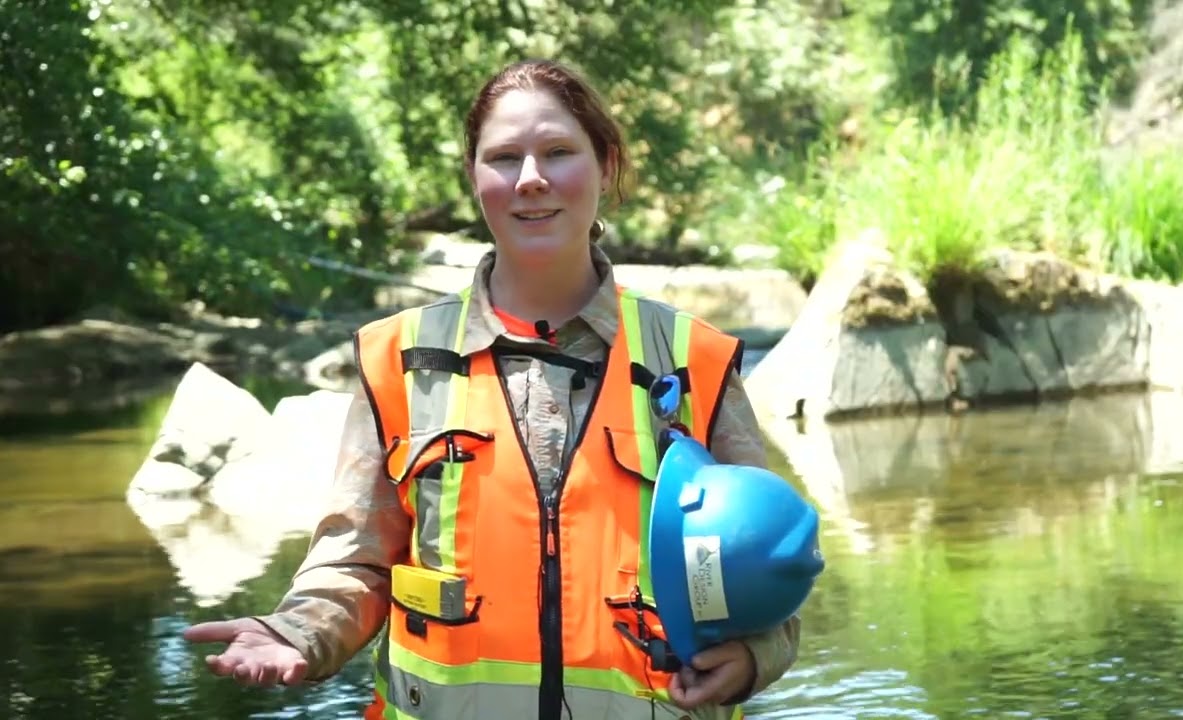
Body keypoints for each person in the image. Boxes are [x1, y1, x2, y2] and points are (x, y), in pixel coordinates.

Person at [183, 57, 801, 719]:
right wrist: (297, 633)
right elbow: (355, 562)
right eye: (504, 157)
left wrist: (752, 657)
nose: (531, 180)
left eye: (558, 152)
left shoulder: (696, 362)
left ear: (608, 166)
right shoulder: (396, 358)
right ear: (475, 177)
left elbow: (767, 566)